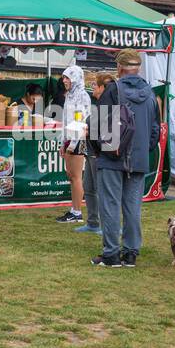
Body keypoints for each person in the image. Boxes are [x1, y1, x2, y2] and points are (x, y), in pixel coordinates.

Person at [88, 49, 161, 268]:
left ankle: (111, 254)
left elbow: (96, 125)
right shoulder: (150, 93)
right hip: (138, 158)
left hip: (112, 155)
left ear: (119, 68)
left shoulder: (112, 90)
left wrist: (101, 150)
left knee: (109, 205)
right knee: (132, 207)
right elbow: (156, 130)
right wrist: (142, 150)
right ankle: (130, 253)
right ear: (137, 68)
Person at [74, 72, 112, 235]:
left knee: (102, 190)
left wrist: (90, 132)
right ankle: (93, 223)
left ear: (103, 87)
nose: (92, 88)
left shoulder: (108, 105)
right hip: (90, 152)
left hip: (100, 153)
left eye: (94, 85)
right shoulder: (98, 104)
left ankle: (107, 226)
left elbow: (110, 132)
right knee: (88, 187)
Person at [54, 64, 91, 224]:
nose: (64, 80)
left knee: (76, 176)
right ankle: (73, 209)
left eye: (67, 77)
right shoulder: (69, 95)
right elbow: (65, 121)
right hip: (69, 138)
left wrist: (72, 143)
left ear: (75, 78)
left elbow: (82, 121)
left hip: (78, 139)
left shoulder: (83, 96)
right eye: (64, 77)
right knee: (71, 175)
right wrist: (63, 142)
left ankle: (77, 212)